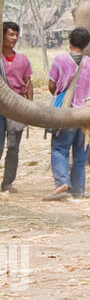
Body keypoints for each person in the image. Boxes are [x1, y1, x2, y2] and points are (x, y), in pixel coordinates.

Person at [46, 27, 90, 200]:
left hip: (66, 113)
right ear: (86, 45)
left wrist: (61, 94)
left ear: (69, 40)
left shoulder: (60, 60)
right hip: (85, 115)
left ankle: (62, 182)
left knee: (59, 148)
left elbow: (51, 86)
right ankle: (78, 190)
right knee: (80, 154)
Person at [1, 20, 33, 193]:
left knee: (13, 148)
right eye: (10, 34)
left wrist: (29, 107)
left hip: (17, 108)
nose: (14, 38)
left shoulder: (23, 60)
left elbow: (28, 83)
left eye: (16, 35)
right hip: (0, 108)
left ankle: (7, 183)